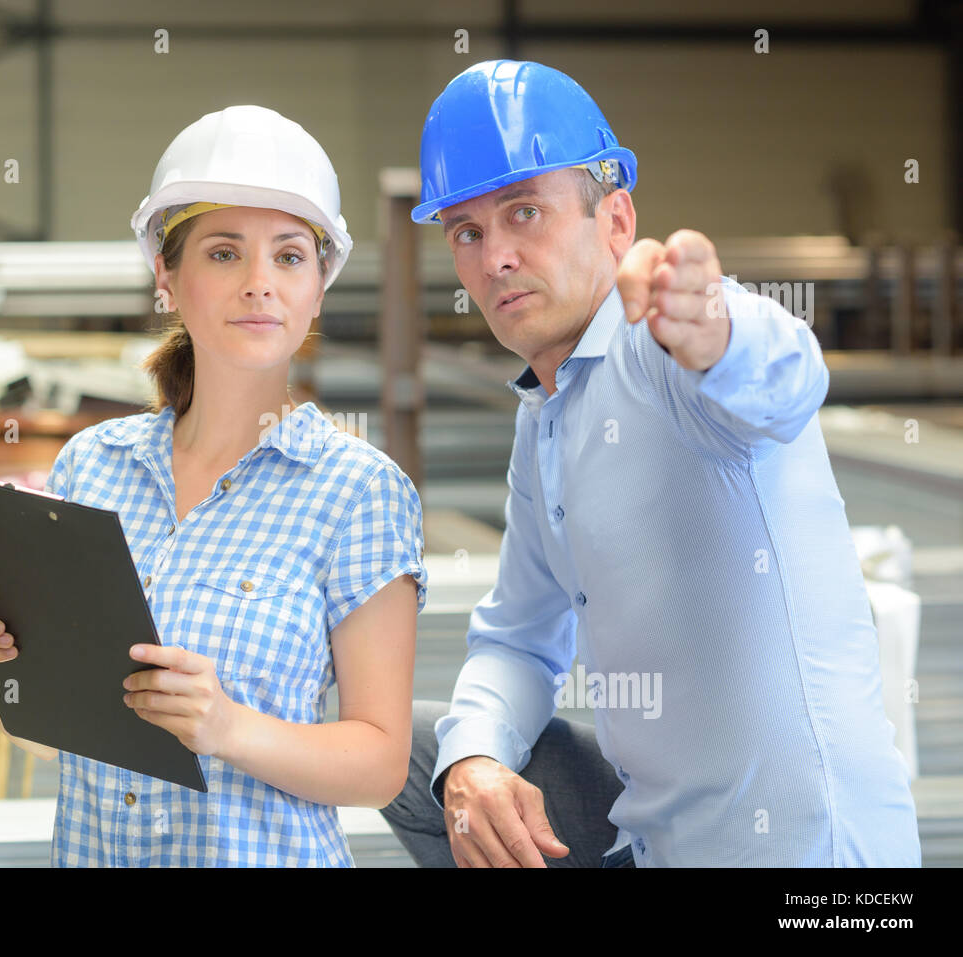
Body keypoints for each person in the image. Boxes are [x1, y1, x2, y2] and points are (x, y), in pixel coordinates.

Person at [379, 60, 921, 867]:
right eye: (467, 231)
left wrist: (714, 331)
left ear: (617, 221)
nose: (494, 257)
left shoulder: (667, 351)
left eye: (524, 212)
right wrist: (477, 759)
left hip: (801, 857)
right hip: (654, 838)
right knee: (413, 754)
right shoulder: (548, 421)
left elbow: (787, 376)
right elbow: (519, 638)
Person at [0, 105, 427, 866]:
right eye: (225, 253)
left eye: (291, 256)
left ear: (320, 287)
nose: (261, 283)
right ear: (167, 275)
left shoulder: (359, 493)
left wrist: (227, 727)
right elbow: (44, 730)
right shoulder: (92, 467)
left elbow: (379, 762)